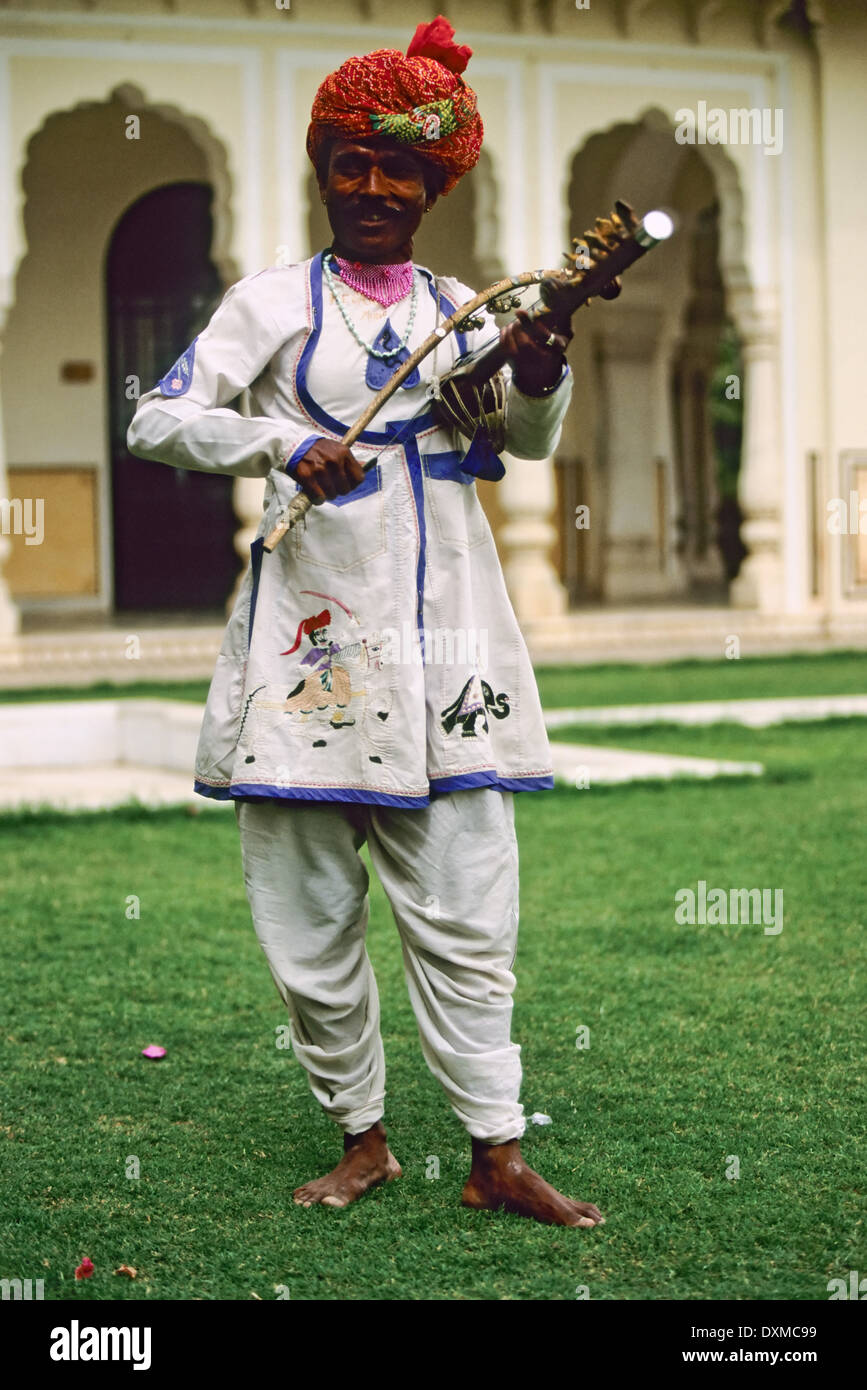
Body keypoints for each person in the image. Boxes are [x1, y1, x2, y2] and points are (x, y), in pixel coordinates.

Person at [128, 15, 604, 1228]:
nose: (377, 186)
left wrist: (542, 369)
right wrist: (285, 443)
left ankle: (496, 1149)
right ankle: (365, 1137)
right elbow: (157, 418)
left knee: (468, 909)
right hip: (312, 647)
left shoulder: (468, 308)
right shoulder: (272, 302)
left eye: (404, 168)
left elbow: (524, 444)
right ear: (322, 167)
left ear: (438, 182)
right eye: (355, 161)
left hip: (453, 652)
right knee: (308, 916)